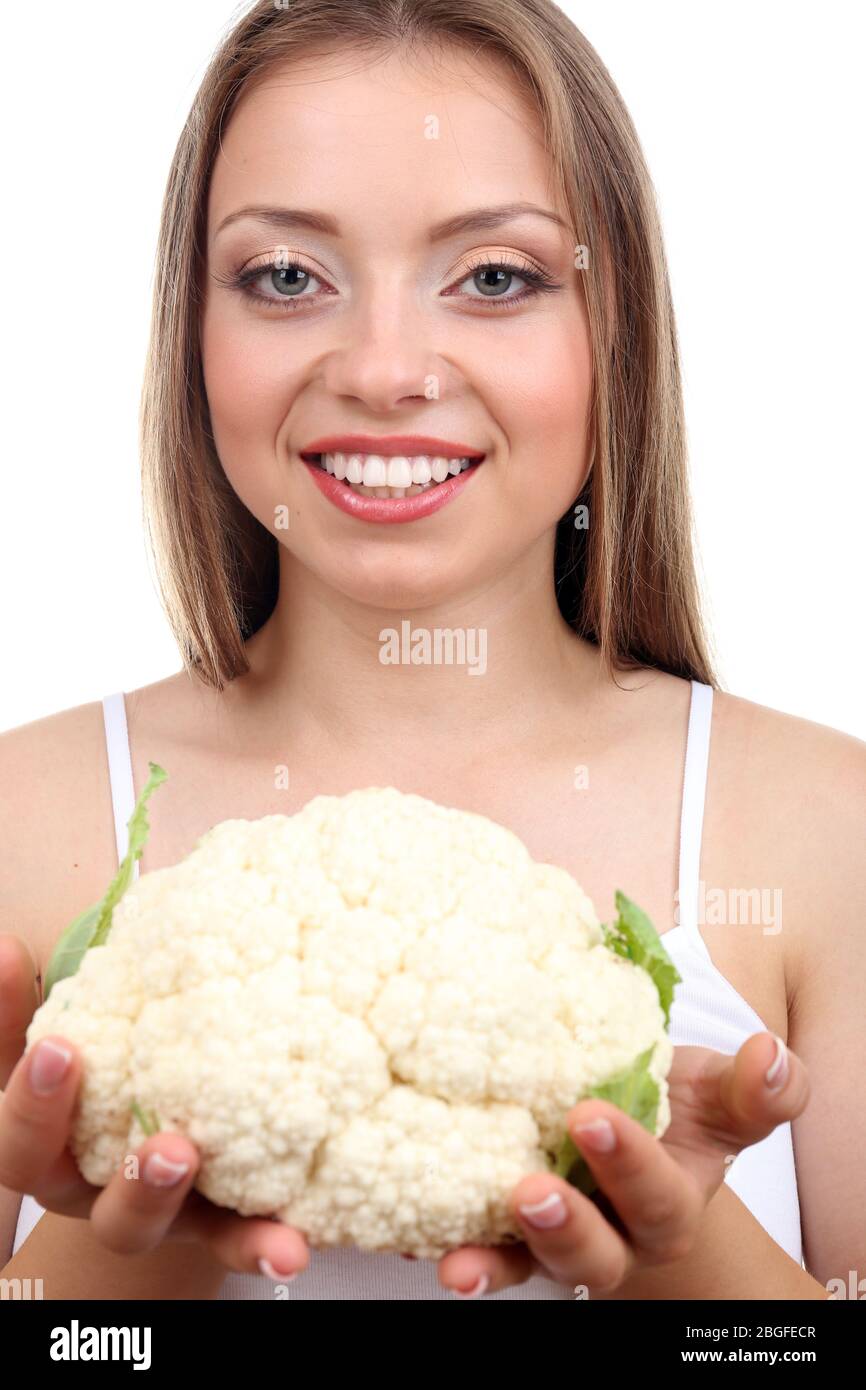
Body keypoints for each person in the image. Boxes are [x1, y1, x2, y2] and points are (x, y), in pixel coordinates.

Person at [0, 0, 862, 1301]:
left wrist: (683, 1252)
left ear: (609, 327)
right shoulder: (21, 821)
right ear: (192, 331)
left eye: (495, 277)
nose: (385, 368)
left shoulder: (824, 831)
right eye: (285, 276)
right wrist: (117, 1240)